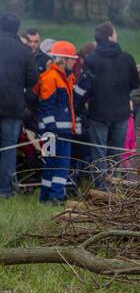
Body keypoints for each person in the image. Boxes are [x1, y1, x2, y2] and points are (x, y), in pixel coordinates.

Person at [74, 22, 139, 189]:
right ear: (110, 36)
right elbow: (135, 83)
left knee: (99, 152)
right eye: (115, 33)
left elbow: (85, 86)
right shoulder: (127, 58)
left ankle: (102, 187)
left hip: (98, 113)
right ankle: (110, 183)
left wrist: (77, 107)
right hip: (121, 113)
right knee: (115, 152)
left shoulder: (91, 59)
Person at [0, 13, 39, 198]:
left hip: (12, 106)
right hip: (13, 107)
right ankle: (5, 190)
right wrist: (27, 105)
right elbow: (34, 82)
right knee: (8, 148)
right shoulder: (23, 51)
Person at [35, 41, 79, 203]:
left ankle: (48, 197)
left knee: (54, 163)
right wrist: (51, 129)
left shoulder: (64, 78)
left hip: (61, 131)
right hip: (52, 132)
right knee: (57, 164)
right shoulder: (51, 78)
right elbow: (46, 106)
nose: (74, 62)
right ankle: (55, 196)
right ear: (63, 59)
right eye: (71, 59)